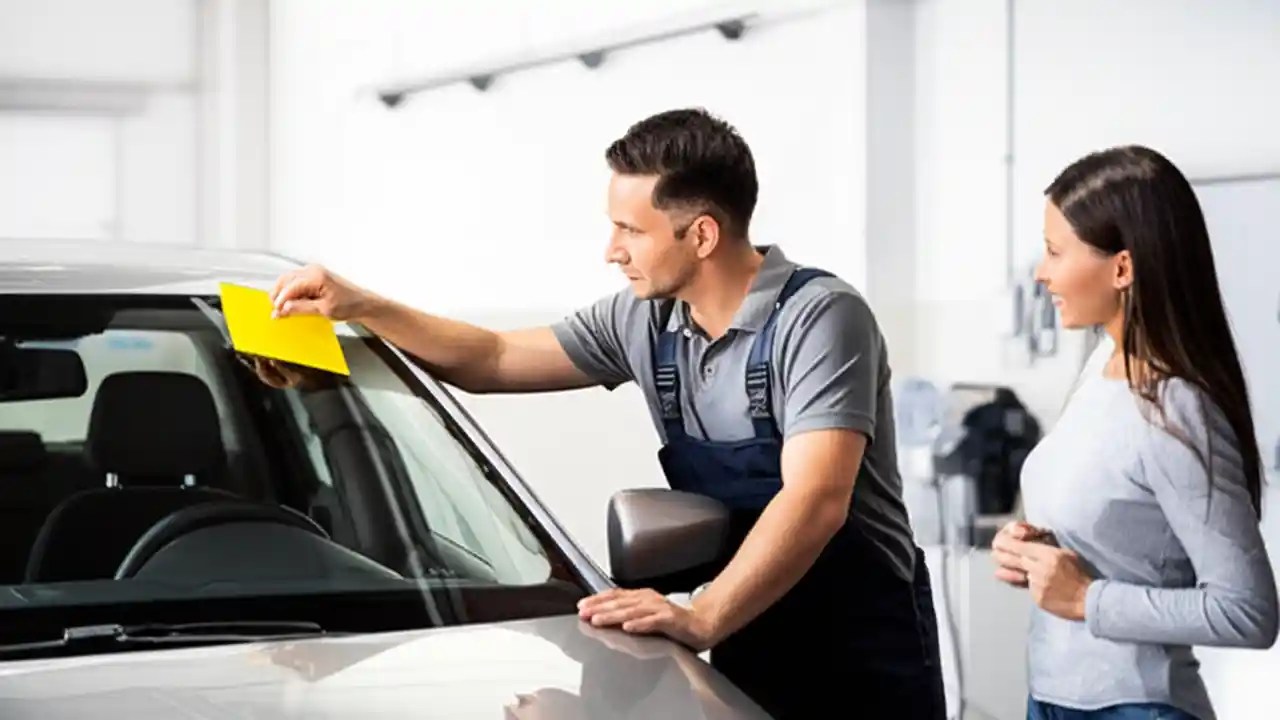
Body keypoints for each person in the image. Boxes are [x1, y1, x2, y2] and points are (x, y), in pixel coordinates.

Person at [269, 107, 947, 719]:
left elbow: (817, 499)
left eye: (629, 229)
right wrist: (361, 307)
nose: (611, 250)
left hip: (861, 645)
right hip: (750, 627)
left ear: (702, 234)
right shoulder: (644, 319)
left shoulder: (820, 317)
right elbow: (495, 357)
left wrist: (703, 614)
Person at [992, 145, 1279, 720]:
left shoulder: (1177, 409)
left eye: (1054, 252)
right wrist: (1034, 551)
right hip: (1049, 697)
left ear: (1121, 268)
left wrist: (1085, 598)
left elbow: (1249, 613)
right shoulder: (1100, 363)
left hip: (1135, 707)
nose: (1042, 272)